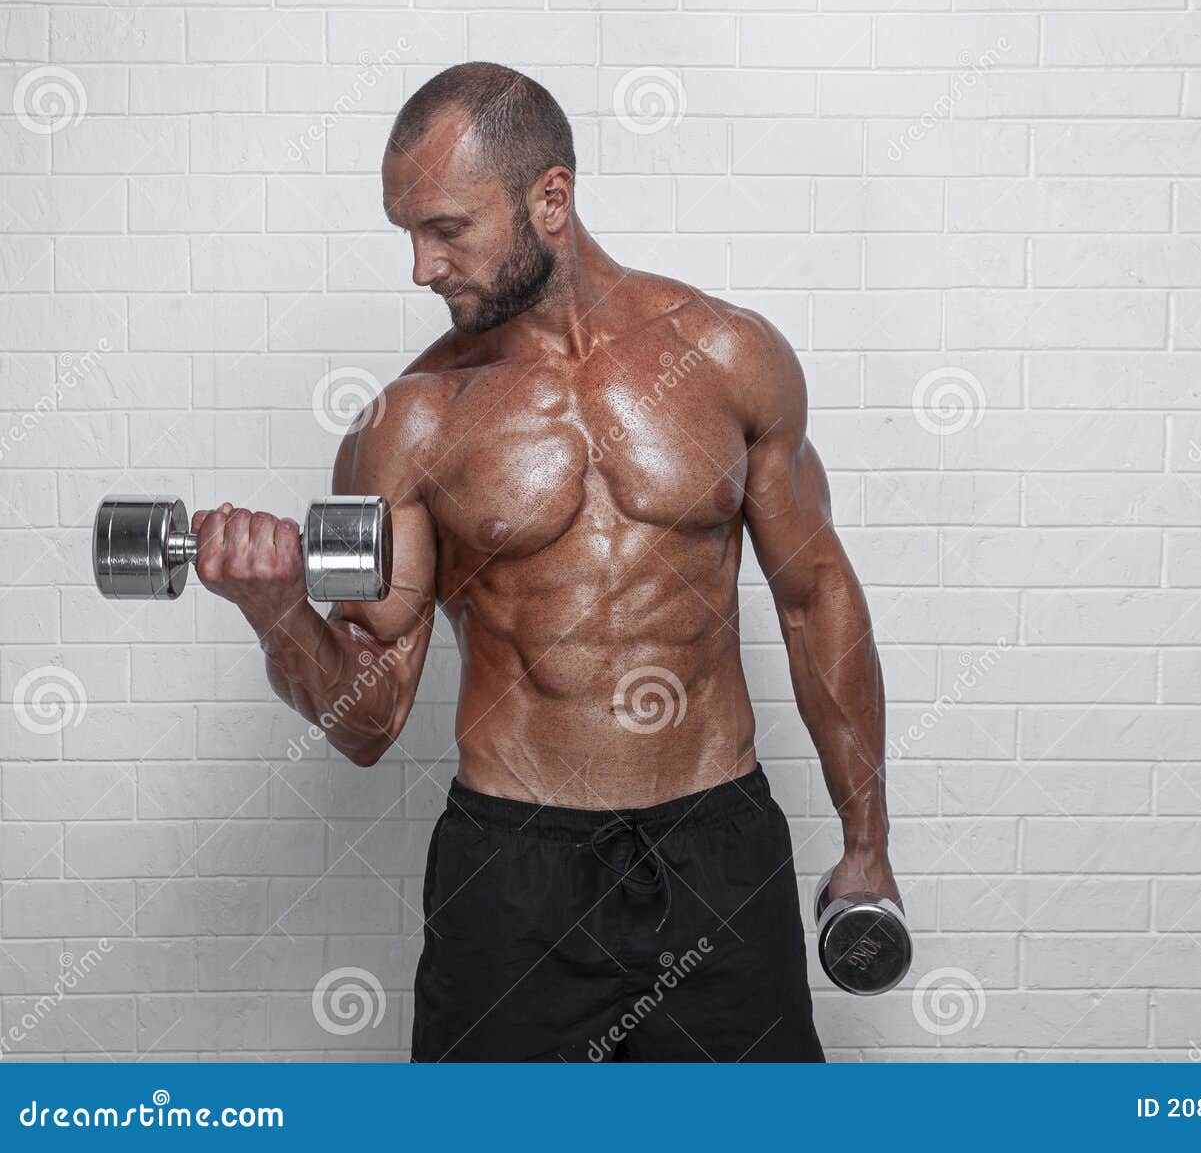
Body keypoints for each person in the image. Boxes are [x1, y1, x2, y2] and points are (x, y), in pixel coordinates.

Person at [188, 62, 899, 1062]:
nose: (421, 268)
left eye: (446, 229)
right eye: (408, 234)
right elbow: (371, 718)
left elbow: (813, 597)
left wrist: (866, 843)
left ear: (550, 199)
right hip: (510, 871)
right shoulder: (405, 424)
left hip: (715, 847)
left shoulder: (731, 357)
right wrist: (273, 612)